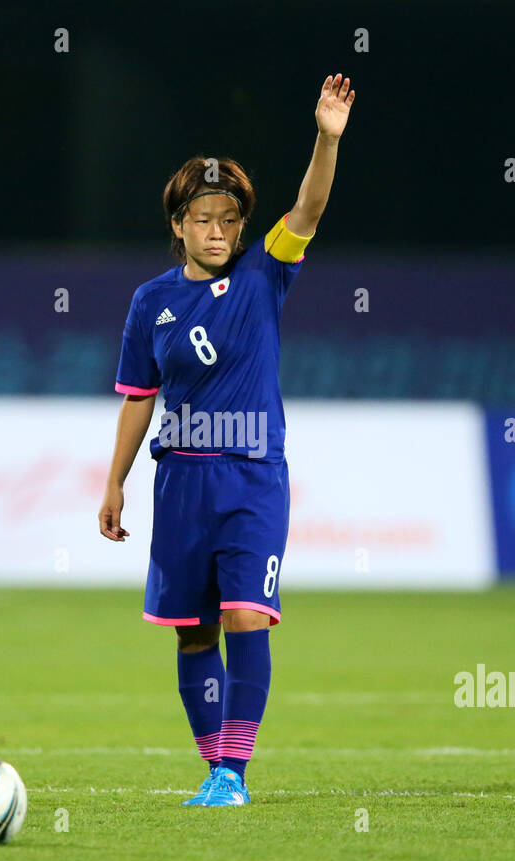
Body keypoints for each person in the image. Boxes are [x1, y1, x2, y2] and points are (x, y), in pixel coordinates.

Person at [97, 75, 355, 807]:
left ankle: (233, 775)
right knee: (190, 634)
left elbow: (308, 206)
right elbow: (139, 399)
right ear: (178, 224)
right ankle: (214, 770)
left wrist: (326, 139)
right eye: (204, 218)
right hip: (180, 483)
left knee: (247, 613)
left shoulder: (265, 272)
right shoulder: (151, 302)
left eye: (229, 219)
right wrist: (114, 481)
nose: (219, 231)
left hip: (252, 479)